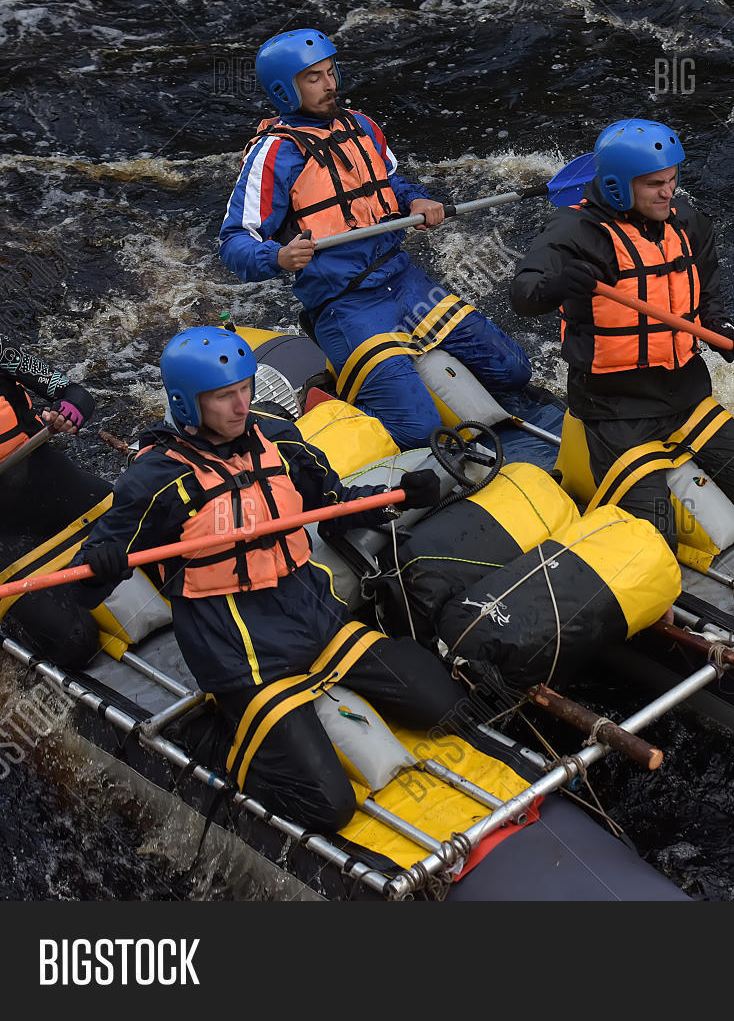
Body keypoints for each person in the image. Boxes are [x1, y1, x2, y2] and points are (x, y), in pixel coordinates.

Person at [73, 326, 464, 834]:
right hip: (238, 651)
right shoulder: (155, 480)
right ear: (187, 406)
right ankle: (213, 737)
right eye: (223, 397)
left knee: (447, 708)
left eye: (246, 389)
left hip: (313, 618)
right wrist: (102, 563)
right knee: (328, 807)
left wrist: (396, 497)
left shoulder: (278, 440)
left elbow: (331, 504)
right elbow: (84, 583)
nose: (241, 406)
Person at [218, 28, 531, 449]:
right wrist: (278, 257)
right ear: (284, 90)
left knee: (514, 371)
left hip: (404, 282)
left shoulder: (361, 125)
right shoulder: (274, 153)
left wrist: (417, 200)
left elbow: (389, 181)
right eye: (313, 78)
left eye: (331, 72)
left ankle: (404, 373)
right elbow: (234, 241)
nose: (330, 85)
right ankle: (342, 397)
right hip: (345, 305)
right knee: (418, 434)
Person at [510, 119, 734, 549]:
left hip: (685, 396)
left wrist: (722, 328)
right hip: (614, 408)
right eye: (654, 184)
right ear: (619, 186)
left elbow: (707, 294)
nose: (668, 192)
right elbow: (525, 296)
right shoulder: (575, 233)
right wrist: (561, 281)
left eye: (673, 179)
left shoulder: (689, 224)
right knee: (659, 541)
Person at [0, 335, 110, 667]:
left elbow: (75, 394)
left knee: (152, 520)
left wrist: (69, 412)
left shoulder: (5, 355)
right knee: (75, 640)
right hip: (4, 538)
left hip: (47, 484)